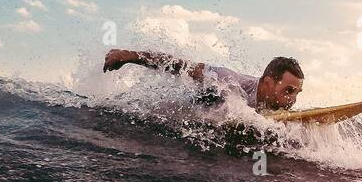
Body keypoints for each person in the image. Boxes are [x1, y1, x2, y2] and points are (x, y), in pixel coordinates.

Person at [102, 48, 303, 111]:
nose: (293, 99)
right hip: (169, 108)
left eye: (296, 93)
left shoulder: (273, 105)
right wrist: (130, 56)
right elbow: (181, 66)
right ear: (268, 83)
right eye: (289, 90)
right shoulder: (228, 80)